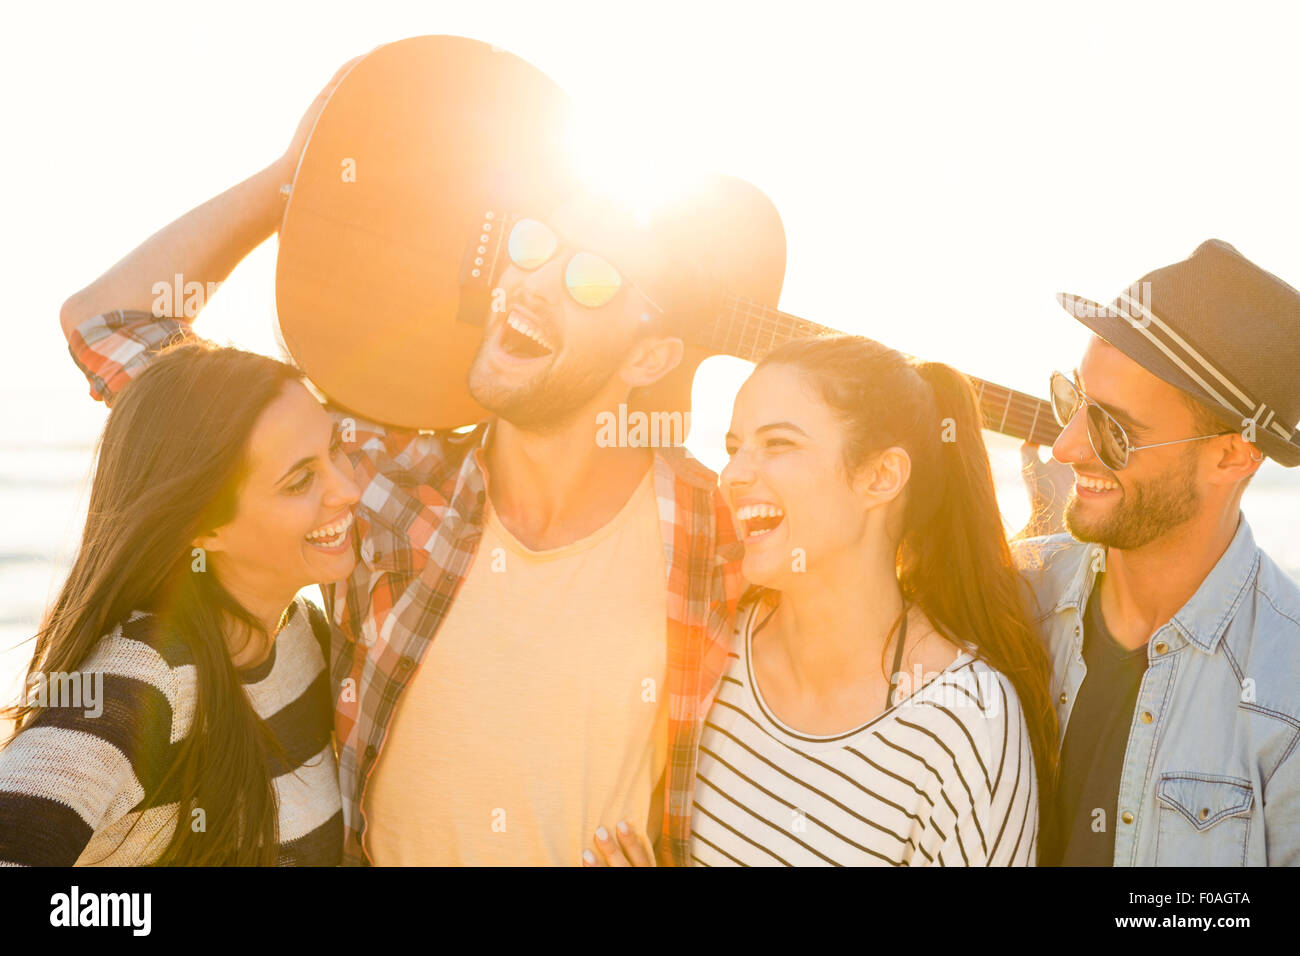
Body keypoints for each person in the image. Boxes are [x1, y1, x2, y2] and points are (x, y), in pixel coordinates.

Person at [54, 62, 752, 866]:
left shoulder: (719, 526)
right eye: (533, 245)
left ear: (651, 355)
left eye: (589, 281)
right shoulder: (383, 479)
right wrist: (288, 186)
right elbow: (109, 326)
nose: (531, 284)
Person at [583, 335, 1058, 866]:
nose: (734, 473)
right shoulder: (711, 647)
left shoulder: (966, 720)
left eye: (778, 444)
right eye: (734, 446)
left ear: (881, 477)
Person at [0, 342, 359, 865]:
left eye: (337, 450)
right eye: (301, 480)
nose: (347, 489)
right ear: (203, 525)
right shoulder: (144, 682)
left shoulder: (303, 634)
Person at [1016, 239, 1300, 866]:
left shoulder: (1289, 693)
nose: (1065, 449)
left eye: (1114, 431)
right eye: (1074, 404)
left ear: (1233, 455)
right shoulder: (1010, 597)